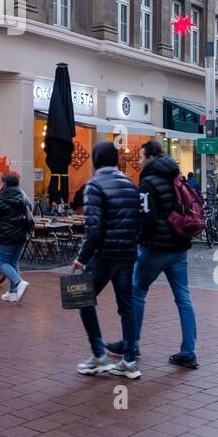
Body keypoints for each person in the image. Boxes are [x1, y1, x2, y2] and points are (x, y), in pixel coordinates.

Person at [111, 140, 198, 370]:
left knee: (136, 291)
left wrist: (140, 239)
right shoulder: (176, 176)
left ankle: (132, 343)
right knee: (183, 298)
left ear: (150, 157)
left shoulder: (148, 181)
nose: (138, 161)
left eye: (140, 157)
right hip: (179, 246)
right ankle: (188, 351)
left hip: (155, 248)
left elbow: (146, 217)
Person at [73, 140, 141, 379]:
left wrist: (82, 258)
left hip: (104, 255)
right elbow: (138, 222)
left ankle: (99, 355)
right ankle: (130, 361)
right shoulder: (130, 184)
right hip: (127, 255)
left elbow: (94, 228)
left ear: (95, 159)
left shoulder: (94, 185)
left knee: (82, 298)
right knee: (126, 307)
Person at [0, 170, 32, 302]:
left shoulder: (2, 198)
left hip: (6, 236)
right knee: (13, 262)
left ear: (5, 183)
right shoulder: (24, 197)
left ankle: (18, 282)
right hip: (22, 235)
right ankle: (12, 292)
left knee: (1, 262)